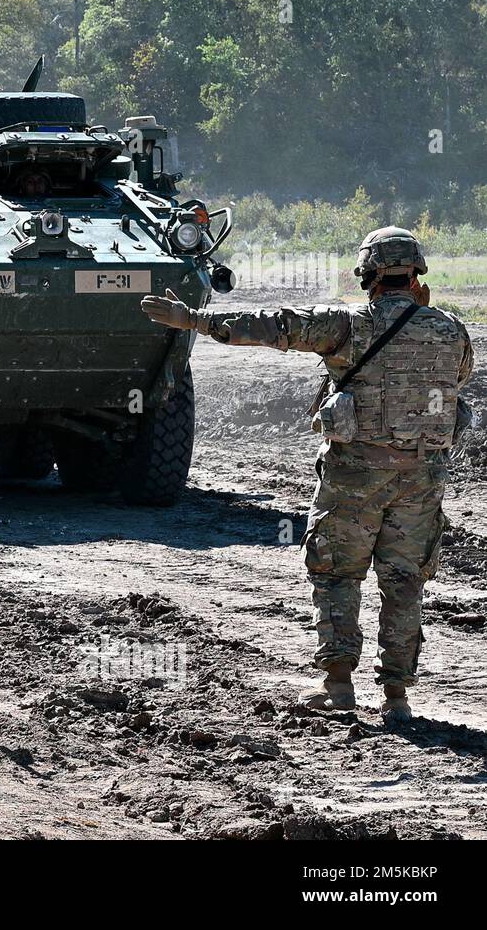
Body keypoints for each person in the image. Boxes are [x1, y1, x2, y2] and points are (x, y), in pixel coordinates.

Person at [140, 227, 474, 722]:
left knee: (338, 575)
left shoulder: (349, 323)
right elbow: (457, 378)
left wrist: (195, 319)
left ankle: (339, 687)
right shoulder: (451, 329)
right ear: (417, 273)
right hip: (422, 477)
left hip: (354, 476)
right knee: (404, 581)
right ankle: (397, 696)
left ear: (368, 274)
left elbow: (275, 325)